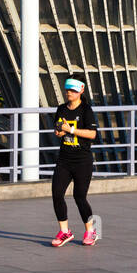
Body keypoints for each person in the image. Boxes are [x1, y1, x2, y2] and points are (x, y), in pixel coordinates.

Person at [52, 77, 99, 247]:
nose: (69, 93)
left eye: (72, 90)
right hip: (64, 159)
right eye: (67, 90)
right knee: (57, 194)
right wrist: (60, 132)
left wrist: (71, 129)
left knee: (79, 197)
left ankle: (91, 231)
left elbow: (92, 134)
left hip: (82, 160)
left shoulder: (86, 110)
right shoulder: (61, 109)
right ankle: (65, 232)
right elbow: (58, 129)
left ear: (81, 91)